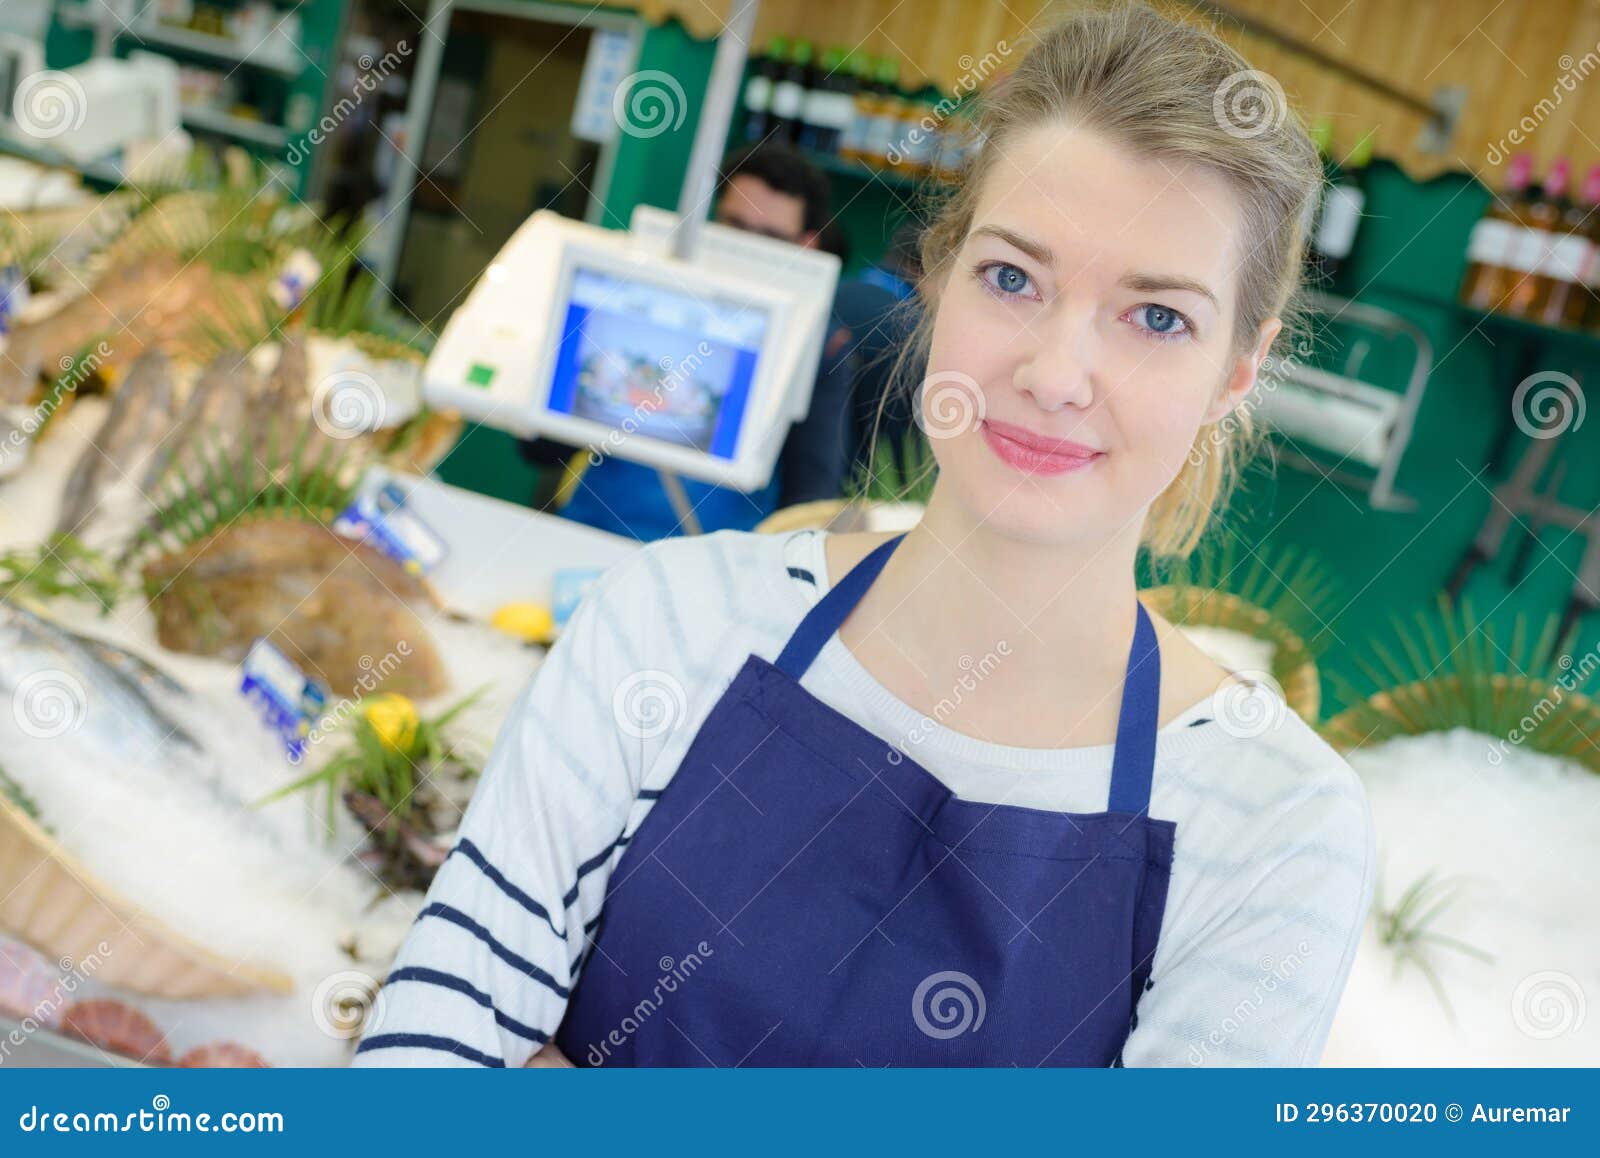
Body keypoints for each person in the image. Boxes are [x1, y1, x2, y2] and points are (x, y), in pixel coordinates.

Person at [356, 1, 1375, 1068]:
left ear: (1237, 371)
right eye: (1012, 278)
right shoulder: (668, 621)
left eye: (1157, 317)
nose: (1054, 376)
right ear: (934, 281)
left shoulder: (1278, 830)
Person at [539, 143, 857, 540]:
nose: (747, 251)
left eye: (771, 239)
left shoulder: (820, 345)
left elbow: (810, 491)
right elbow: (539, 449)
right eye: (735, 228)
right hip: (591, 532)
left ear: (806, 246)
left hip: (713, 561)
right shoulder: (649, 294)